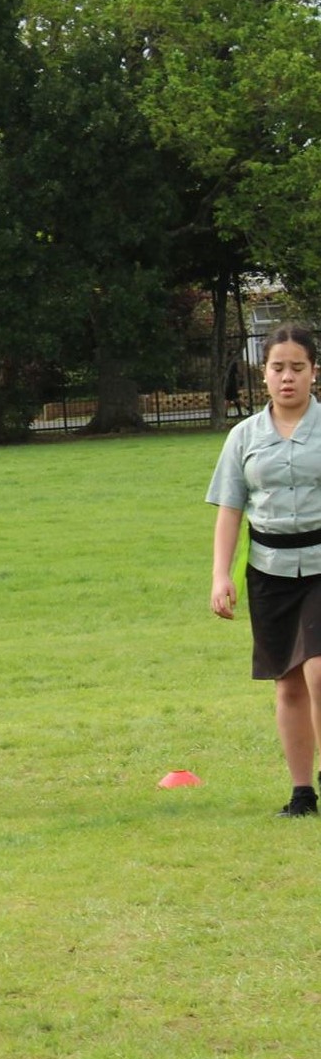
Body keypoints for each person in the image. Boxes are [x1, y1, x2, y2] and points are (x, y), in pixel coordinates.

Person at [209, 327, 321, 817]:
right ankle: (302, 793)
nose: (287, 377)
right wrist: (221, 575)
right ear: (265, 374)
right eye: (278, 368)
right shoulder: (243, 437)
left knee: (320, 671)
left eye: (298, 367)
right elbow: (230, 510)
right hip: (269, 571)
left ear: (314, 372)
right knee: (289, 682)